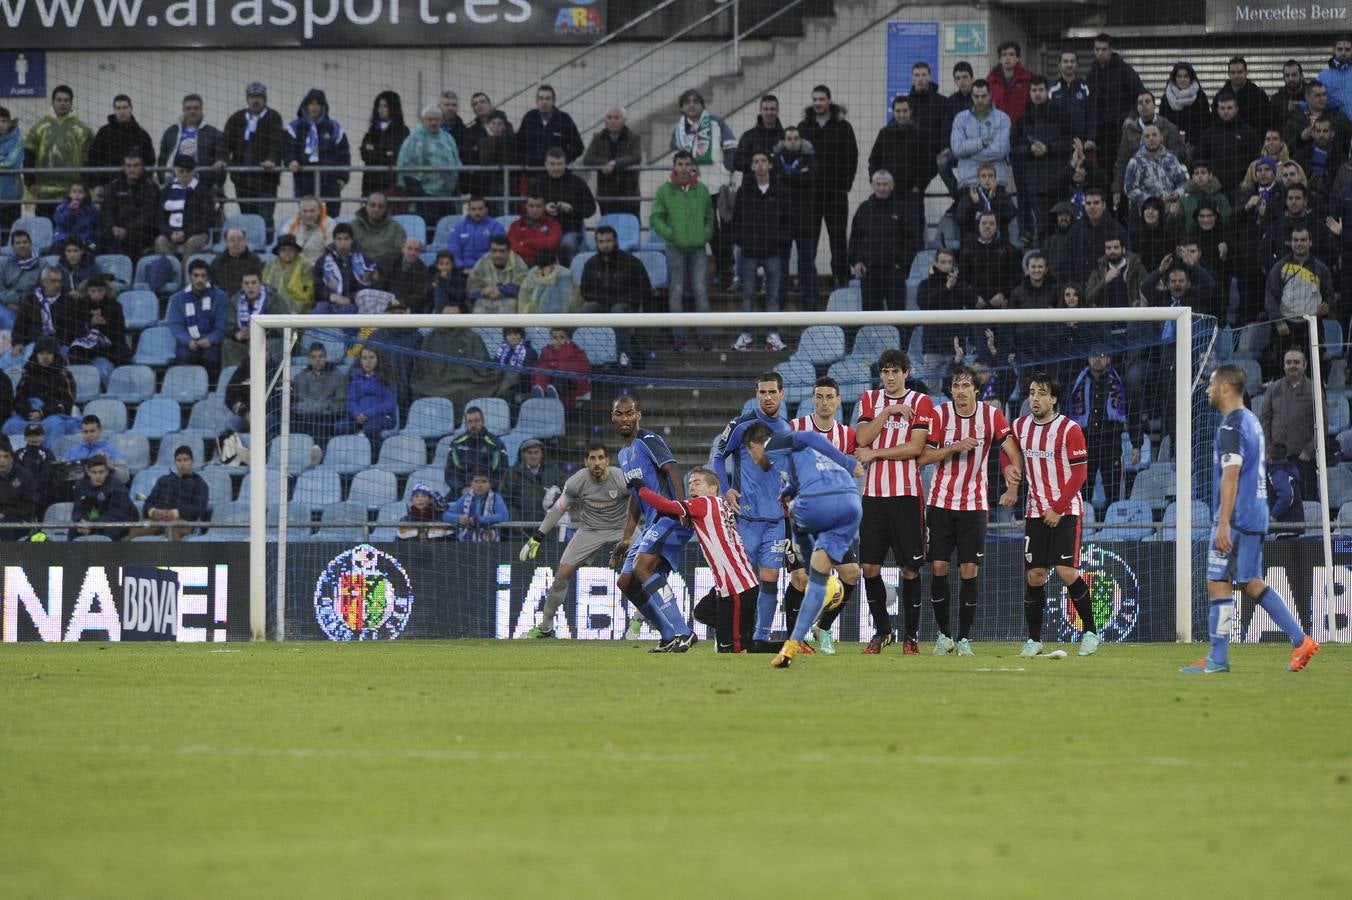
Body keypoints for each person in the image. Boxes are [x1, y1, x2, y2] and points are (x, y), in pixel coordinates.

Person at [1181, 365, 1321, 673]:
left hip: (1237, 518)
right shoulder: (1253, 422)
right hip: (1256, 515)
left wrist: (1222, 523)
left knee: (1217, 581)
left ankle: (1218, 658)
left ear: (1227, 387)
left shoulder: (1231, 426)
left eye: (1213, 385)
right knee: (1249, 583)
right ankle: (1301, 641)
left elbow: (1231, 474)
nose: (1208, 390)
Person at [735, 422, 859, 668]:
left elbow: (811, 436)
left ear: (754, 446)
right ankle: (793, 645)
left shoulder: (773, 444)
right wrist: (789, 490)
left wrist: (848, 462)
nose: (753, 459)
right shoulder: (790, 459)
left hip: (820, 503)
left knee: (811, 570)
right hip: (848, 505)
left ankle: (803, 631)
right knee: (815, 578)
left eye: (751, 454)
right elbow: (802, 474)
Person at [918, 365, 1020, 655]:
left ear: (976, 389)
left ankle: (963, 638)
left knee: (968, 569)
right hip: (939, 503)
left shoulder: (991, 416)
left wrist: (1012, 485)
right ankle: (944, 635)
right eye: (956, 386)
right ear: (950, 390)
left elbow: (1011, 449)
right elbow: (923, 457)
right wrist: (954, 447)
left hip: (974, 505)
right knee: (938, 567)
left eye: (966, 386)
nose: (960, 391)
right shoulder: (940, 415)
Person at [1000, 372, 1101, 658]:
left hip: (1066, 511)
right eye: (1032, 392)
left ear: (1054, 399)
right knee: (1035, 575)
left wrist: (1057, 508)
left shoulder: (1069, 429)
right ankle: (1034, 640)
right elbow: (1005, 451)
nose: (1035, 397)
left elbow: (1080, 473)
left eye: (1042, 392)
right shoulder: (1020, 427)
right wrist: (1008, 469)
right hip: (1035, 512)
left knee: (1067, 572)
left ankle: (1091, 633)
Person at [854, 349, 934, 654]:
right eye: (885, 372)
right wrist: (887, 413)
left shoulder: (921, 402)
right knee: (869, 566)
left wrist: (875, 453)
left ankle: (910, 636)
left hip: (906, 496)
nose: (889, 377)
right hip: (873, 497)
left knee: (910, 569)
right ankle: (882, 630)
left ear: (906, 372)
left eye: (895, 372)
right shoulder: (869, 400)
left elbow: (915, 447)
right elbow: (861, 437)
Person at [636, 465, 762, 653]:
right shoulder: (720, 506)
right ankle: (739, 631)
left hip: (737, 587)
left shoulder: (705, 504)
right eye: (690, 483)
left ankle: (785, 646)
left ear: (713, 489)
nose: (692, 487)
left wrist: (641, 489)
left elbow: (667, 506)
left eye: (697, 482)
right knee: (701, 612)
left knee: (733, 651)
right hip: (732, 585)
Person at [710, 373, 793, 650]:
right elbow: (718, 456)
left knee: (770, 578)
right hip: (744, 518)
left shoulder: (787, 429)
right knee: (737, 581)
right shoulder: (741, 423)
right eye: (762, 392)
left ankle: (760, 636)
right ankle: (725, 633)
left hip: (776, 521)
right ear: (757, 394)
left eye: (772, 392)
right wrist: (725, 489)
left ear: (782, 394)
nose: (767, 397)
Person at [608, 394, 696, 652]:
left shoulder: (648, 440)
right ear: (613, 418)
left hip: (668, 516)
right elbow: (636, 498)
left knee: (642, 567)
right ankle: (668, 634)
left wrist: (682, 506)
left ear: (638, 415)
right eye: (619, 414)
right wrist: (626, 538)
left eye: (629, 413)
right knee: (625, 582)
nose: (625, 418)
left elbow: (672, 470)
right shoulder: (623, 454)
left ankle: (683, 632)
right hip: (651, 525)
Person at [518, 443, 631, 639]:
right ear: (586, 461)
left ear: (607, 460)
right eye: (592, 459)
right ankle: (545, 627)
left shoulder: (622, 479)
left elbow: (641, 503)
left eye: (600, 458)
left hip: (621, 528)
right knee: (562, 575)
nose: (597, 463)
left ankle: (638, 621)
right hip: (589, 531)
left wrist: (635, 532)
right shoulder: (576, 482)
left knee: (645, 569)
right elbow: (558, 509)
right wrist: (538, 537)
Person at [787, 376, 859, 654]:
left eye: (830, 397)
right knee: (800, 578)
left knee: (851, 574)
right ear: (813, 399)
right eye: (820, 397)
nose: (825, 402)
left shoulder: (847, 435)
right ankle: (797, 637)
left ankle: (823, 627)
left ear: (838, 400)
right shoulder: (797, 428)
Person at [651, 150, 715, 352]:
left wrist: (703, 235)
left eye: (688, 164)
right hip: (675, 249)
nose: (684, 168)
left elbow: (710, 219)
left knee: (701, 291)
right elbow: (655, 219)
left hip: (698, 249)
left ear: (693, 167)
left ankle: (704, 338)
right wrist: (672, 235)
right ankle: (679, 338)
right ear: (674, 167)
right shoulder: (664, 191)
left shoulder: (702, 190)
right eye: (680, 164)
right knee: (676, 292)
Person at [1068, 349, 1143, 515]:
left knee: (1113, 492)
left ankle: (1111, 532)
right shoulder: (1077, 384)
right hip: (1084, 444)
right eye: (1094, 356)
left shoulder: (1120, 383)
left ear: (1108, 359)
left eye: (1101, 356)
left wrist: (1136, 444)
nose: (1097, 360)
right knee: (1081, 492)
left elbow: (1134, 414)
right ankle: (1081, 532)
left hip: (1111, 444)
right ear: (1088, 358)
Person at [799, 85, 859, 288]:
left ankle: (840, 278)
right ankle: (807, 279)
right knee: (809, 239)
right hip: (810, 195)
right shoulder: (803, 127)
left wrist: (845, 185)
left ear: (829, 100)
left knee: (838, 238)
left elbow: (852, 157)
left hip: (835, 193)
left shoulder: (843, 127)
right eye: (815, 99)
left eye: (821, 99)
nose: (818, 103)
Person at [731, 151, 788, 352]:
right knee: (748, 295)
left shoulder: (780, 189)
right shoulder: (744, 190)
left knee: (773, 295)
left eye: (764, 161)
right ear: (752, 166)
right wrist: (742, 240)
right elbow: (735, 219)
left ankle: (772, 335)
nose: (760, 165)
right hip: (749, 252)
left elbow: (788, 220)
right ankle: (746, 335)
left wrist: (779, 240)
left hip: (773, 251)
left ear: (770, 165)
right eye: (756, 161)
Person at [868, 94, 930, 257]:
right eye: (898, 111)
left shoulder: (920, 135)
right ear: (893, 112)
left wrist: (918, 186)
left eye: (905, 111)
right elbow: (874, 161)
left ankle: (915, 278)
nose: (901, 114)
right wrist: (877, 184)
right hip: (888, 195)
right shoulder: (884, 133)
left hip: (913, 195)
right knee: (888, 234)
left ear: (911, 112)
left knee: (915, 235)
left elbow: (927, 164)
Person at [1264, 227, 1335, 370]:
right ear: (1290, 243)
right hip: (1285, 327)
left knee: (1315, 370)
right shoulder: (1279, 267)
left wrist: (1326, 307)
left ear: (1310, 243)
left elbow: (1329, 294)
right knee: (1283, 370)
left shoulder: (1321, 269)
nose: (1299, 243)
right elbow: (1270, 297)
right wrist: (1278, 322)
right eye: (1295, 240)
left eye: (1303, 240)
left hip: (1312, 326)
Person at [1011, 76, 1071, 241]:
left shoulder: (1061, 114)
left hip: (1060, 182)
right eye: (1034, 90)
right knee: (1043, 229)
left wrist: (1048, 148)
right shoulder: (1023, 120)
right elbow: (1015, 150)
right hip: (1036, 184)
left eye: (1041, 90)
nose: (1037, 94)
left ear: (1047, 91)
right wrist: (1030, 150)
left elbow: (1069, 143)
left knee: (1064, 228)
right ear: (1029, 92)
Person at [847, 170, 911, 317]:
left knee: (898, 317)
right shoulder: (864, 209)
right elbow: (854, 240)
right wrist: (856, 262)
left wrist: (902, 266)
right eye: (878, 184)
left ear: (892, 185)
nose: (882, 188)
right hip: (869, 274)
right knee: (870, 318)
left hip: (894, 273)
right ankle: (871, 341)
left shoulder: (902, 209)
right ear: (872, 185)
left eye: (885, 184)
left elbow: (912, 240)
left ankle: (900, 341)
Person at [222, 83, 285, 229]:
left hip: (266, 180)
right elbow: (225, 142)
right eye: (252, 97)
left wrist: (271, 159)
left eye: (258, 97)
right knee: (247, 219)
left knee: (265, 218)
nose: (255, 100)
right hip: (242, 180)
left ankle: (267, 248)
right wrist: (222, 159)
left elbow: (277, 142)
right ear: (247, 99)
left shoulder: (273, 117)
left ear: (265, 99)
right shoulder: (236, 118)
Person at [773, 126, 820, 305]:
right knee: (781, 265)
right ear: (784, 141)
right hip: (783, 220)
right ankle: (780, 305)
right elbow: (775, 179)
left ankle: (812, 306)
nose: (792, 141)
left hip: (806, 220)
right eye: (789, 138)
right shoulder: (776, 159)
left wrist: (786, 176)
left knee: (807, 263)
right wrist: (798, 175)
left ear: (801, 140)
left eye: (796, 138)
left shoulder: (810, 158)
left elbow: (812, 178)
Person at [283, 89, 350, 215]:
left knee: (331, 220)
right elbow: (287, 148)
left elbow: (343, 154)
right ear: (305, 106)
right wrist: (290, 160)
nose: (314, 107)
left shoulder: (334, 127)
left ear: (323, 106)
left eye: (318, 104)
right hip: (304, 182)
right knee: (308, 218)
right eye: (311, 103)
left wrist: (342, 177)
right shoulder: (294, 127)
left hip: (330, 184)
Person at [1260, 348, 1318, 492]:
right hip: (1277, 459)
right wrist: (1268, 449)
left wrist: (1309, 451)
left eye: (1297, 362)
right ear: (1284, 366)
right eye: (1289, 362)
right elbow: (1265, 420)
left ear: (1305, 366)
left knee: (1305, 498)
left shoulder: (1314, 389)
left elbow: (1322, 423)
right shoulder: (1273, 389)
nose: (1292, 365)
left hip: (1303, 458)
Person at [25, 85, 94, 203]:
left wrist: (87, 184)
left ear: (71, 102)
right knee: (46, 222)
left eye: (66, 100)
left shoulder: (83, 130)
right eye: (59, 100)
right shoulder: (38, 128)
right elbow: (28, 157)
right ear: (52, 102)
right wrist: (30, 182)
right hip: (44, 192)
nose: (62, 104)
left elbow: (90, 160)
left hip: (74, 194)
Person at [530, 147, 596, 263]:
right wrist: (543, 209)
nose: (556, 168)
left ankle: (567, 276)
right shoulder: (538, 183)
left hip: (571, 230)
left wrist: (571, 209)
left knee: (566, 244)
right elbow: (528, 209)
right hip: (544, 230)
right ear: (545, 164)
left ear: (565, 164)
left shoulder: (577, 183)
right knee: (534, 244)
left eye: (560, 164)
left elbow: (591, 209)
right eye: (552, 164)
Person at [396, 105, 461, 223]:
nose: (433, 122)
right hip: (426, 197)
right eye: (430, 119)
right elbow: (408, 172)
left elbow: (456, 162)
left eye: (437, 119)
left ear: (441, 120)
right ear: (423, 120)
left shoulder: (448, 138)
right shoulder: (414, 139)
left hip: (448, 196)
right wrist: (422, 198)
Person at [6, 338, 76, 440]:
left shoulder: (64, 374)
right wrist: (28, 412)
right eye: (41, 353)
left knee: (54, 426)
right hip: (29, 415)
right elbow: (19, 398)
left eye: (49, 353)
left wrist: (42, 413)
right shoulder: (28, 372)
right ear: (36, 355)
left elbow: (68, 402)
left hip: (53, 416)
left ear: (55, 355)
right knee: (9, 425)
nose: (45, 357)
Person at [1086, 33, 1144, 155]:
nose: (1100, 53)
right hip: (1101, 133)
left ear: (1111, 50)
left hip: (1122, 129)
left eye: (1104, 49)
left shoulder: (1124, 70)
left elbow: (1140, 94)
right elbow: (1091, 106)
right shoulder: (1092, 74)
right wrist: (1091, 135)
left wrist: (1131, 116)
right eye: (1097, 49)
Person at [136, 445, 209, 540]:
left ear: (192, 461)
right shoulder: (163, 480)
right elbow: (148, 502)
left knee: (172, 529)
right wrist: (153, 512)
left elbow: (199, 509)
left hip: (182, 522)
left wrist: (176, 513)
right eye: (179, 460)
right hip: (157, 520)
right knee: (136, 529)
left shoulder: (200, 484)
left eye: (186, 460)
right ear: (175, 462)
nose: (182, 463)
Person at [65, 274, 130, 381]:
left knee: (123, 353)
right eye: (93, 291)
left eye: (100, 291)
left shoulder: (115, 306)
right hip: (88, 343)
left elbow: (120, 332)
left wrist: (104, 324)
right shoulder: (79, 306)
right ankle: (82, 382)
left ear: (106, 291)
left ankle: (121, 382)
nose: (96, 294)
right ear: (87, 291)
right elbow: (73, 331)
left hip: (108, 343)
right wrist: (90, 324)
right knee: (75, 353)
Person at [155, 93, 224, 194]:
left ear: (201, 110)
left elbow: (221, 159)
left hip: (203, 187)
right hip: (173, 185)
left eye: (196, 108)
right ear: (183, 110)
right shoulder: (171, 132)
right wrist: (162, 180)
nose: (192, 111)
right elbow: (162, 158)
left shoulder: (213, 133)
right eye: (188, 108)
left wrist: (217, 184)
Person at [96, 153, 159, 261]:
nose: (132, 169)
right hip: (115, 230)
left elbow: (148, 215)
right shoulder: (114, 186)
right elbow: (107, 210)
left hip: (141, 232)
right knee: (100, 240)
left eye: (136, 165)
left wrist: (127, 230)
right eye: (128, 166)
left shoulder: (150, 187)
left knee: (129, 242)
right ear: (123, 167)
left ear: (142, 167)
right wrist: (113, 227)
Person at [166, 259, 226, 372]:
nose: (200, 280)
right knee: (183, 356)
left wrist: (210, 339)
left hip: (210, 343)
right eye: (196, 275)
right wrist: (188, 341)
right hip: (187, 342)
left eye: (203, 276)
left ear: (208, 277)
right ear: (190, 276)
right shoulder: (178, 298)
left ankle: (211, 388)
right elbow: (175, 325)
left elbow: (222, 326)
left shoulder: (220, 297)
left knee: (212, 357)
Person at [153, 154, 216, 262]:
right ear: (175, 171)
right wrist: (170, 233)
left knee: (192, 243)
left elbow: (207, 219)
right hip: (172, 232)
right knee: (160, 242)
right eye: (181, 171)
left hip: (196, 233)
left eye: (188, 171)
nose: (185, 175)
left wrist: (186, 233)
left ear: (193, 172)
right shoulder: (167, 191)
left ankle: (188, 276)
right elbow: (159, 218)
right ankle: (171, 274)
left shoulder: (203, 191)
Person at [950, 79, 1011, 190]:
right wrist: (981, 143)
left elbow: (1000, 151)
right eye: (976, 96)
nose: (980, 100)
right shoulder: (960, 118)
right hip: (969, 182)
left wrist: (968, 153)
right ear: (971, 96)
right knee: (962, 207)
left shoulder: (1003, 118)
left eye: (984, 96)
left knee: (1005, 207)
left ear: (990, 95)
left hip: (996, 182)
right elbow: (957, 149)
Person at [1058, 188, 1126, 285]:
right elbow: (1065, 264)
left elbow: (1127, 261)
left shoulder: (1118, 231)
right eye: (1088, 203)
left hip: (1109, 289)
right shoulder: (1074, 231)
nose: (1092, 207)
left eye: (1096, 203)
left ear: (1104, 205)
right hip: (1079, 291)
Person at [1196, 94, 1260, 197]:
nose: (1225, 111)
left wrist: (1248, 181)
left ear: (1237, 109)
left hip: (1241, 189)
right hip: (1214, 189)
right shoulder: (1208, 134)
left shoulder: (1248, 132)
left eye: (1229, 108)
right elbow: (1200, 160)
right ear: (1217, 109)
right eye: (1222, 108)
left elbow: (1255, 161)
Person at [222, 270, 287, 371]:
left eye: (254, 282)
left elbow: (282, 326)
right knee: (228, 344)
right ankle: (235, 379)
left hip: (268, 341)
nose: (250, 286)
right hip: (245, 343)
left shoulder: (274, 299)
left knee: (277, 344)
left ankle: (272, 377)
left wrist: (259, 332)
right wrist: (237, 333)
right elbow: (229, 325)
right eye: (246, 283)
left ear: (260, 283)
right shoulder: (235, 301)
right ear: (242, 285)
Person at [1123, 123, 1189, 217]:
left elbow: (1183, 182)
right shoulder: (1135, 162)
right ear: (1142, 140)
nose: (1151, 138)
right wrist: (1151, 200)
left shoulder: (1171, 158)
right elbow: (1129, 189)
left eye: (1154, 135)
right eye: (1147, 136)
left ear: (1161, 138)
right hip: (1147, 214)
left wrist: (1178, 193)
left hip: (1170, 213)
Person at [312, 222, 376, 315]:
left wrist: (350, 298)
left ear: (352, 240)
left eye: (346, 239)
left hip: (354, 303)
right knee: (318, 311)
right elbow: (317, 286)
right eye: (339, 239)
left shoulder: (365, 259)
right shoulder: (323, 260)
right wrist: (330, 296)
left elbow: (370, 286)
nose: (343, 243)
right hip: (329, 301)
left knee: (347, 311)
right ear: (334, 240)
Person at [500, 437, 566, 527]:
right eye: (529, 452)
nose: (533, 456)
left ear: (542, 454)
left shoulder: (554, 471)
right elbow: (505, 499)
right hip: (522, 527)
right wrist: (516, 521)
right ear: (523, 454)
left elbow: (566, 491)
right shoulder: (512, 473)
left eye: (536, 452)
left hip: (549, 527)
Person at [71, 453, 138, 541]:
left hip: (123, 521)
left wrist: (92, 525)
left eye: (101, 472)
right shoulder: (80, 485)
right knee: (73, 530)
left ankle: (109, 554)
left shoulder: (117, 485)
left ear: (106, 471)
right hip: (94, 521)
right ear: (88, 472)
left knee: (109, 530)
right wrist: (81, 522)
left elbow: (116, 514)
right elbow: (78, 509)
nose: (98, 476)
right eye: (93, 472)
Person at [516, 84, 584, 169]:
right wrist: (524, 161)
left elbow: (578, 147)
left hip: (556, 175)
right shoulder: (529, 118)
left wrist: (562, 160)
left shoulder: (564, 119)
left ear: (554, 101)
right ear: (536, 101)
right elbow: (519, 144)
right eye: (541, 98)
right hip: (532, 175)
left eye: (548, 98)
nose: (544, 102)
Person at [292, 342, 347, 444]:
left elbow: (341, 405)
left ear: (326, 357)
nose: (317, 360)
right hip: (305, 417)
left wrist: (322, 407)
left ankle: (319, 457)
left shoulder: (338, 376)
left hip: (327, 418)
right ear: (309, 359)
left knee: (318, 426)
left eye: (320, 356)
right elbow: (296, 404)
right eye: (314, 357)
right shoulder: (300, 377)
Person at [358, 91, 409, 197]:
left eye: (385, 106)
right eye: (379, 106)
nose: (381, 109)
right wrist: (385, 154)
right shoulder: (372, 130)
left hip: (391, 185)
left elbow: (398, 156)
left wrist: (376, 153)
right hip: (371, 184)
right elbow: (364, 154)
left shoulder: (402, 131)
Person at [12, 267, 75, 352]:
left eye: (59, 281)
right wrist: (18, 343)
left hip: (60, 346)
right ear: (44, 282)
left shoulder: (68, 302)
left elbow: (70, 329)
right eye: (53, 281)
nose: (57, 285)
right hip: (33, 344)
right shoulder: (30, 299)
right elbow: (20, 324)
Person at [446, 406, 504, 495]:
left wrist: (485, 487)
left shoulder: (496, 444)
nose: (473, 425)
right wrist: (462, 489)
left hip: (489, 491)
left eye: (477, 421)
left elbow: (502, 472)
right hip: (462, 492)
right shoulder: (456, 444)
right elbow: (450, 472)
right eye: (470, 422)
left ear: (483, 421)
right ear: (466, 423)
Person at [347, 347, 397, 446]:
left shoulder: (388, 378)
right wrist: (357, 414)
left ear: (378, 359)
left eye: (371, 357)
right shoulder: (356, 377)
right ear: (360, 360)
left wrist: (367, 413)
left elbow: (389, 404)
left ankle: (376, 457)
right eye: (364, 358)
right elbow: (352, 401)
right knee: (341, 427)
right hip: (359, 416)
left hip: (382, 417)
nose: (368, 361)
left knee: (370, 429)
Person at [467, 235, 528, 314]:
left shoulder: (518, 263)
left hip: (509, 299)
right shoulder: (482, 262)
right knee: (479, 306)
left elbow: (523, 288)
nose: (498, 255)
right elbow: (471, 291)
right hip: (486, 298)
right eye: (494, 251)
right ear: (490, 250)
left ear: (509, 251)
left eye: (502, 251)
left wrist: (501, 289)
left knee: (508, 306)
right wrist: (483, 291)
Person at [531, 327, 591, 408]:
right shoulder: (546, 351)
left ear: (567, 338)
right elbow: (539, 365)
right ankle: (541, 391)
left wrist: (557, 366)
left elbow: (582, 366)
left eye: (562, 337)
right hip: (550, 378)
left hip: (569, 381)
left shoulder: (574, 350)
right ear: (550, 339)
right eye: (555, 338)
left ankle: (553, 393)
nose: (558, 340)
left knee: (561, 375)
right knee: (542, 371)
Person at [1048, 49, 1096, 148]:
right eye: (1065, 61)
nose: (1069, 65)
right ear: (1059, 65)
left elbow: (1092, 115)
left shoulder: (1086, 88)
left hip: (1082, 145)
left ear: (1077, 65)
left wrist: (1091, 139)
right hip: (1057, 146)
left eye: (1072, 61)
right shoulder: (1051, 90)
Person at [443, 471, 508, 542]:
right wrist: (458, 518)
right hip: (466, 543)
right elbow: (446, 515)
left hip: (490, 542)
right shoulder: (465, 498)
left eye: (484, 481)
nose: (480, 485)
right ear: (471, 484)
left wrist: (479, 520)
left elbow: (503, 516)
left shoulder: (496, 498)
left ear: (490, 484)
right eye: (476, 481)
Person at [1086, 236, 1149, 308]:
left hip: (1132, 316)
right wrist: (1105, 281)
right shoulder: (1098, 272)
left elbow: (1147, 292)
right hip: (1107, 317)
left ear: (1123, 249)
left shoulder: (1137, 268)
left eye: (1116, 247)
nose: (1112, 251)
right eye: (1108, 248)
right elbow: (1089, 298)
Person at [1215, 56, 1272, 134]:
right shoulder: (1220, 96)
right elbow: (1214, 123)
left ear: (1246, 72)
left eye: (1240, 72)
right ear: (1228, 74)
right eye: (1233, 72)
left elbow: (1266, 123)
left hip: (1252, 141)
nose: (1236, 76)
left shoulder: (1259, 95)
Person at [1160, 62, 1210, 149]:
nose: (1182, 79)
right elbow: (1162, 123)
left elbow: (1206, 123)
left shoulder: (1200, 97)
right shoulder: (1166, 98)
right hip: (1171, 146)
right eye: (1179, 76)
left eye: (1186, 76)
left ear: (1191, 78)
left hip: (1196, 146)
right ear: (1174, 78)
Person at [448, 196, 505, 271]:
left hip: (488, 270)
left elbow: (498, 251)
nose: (477, 212)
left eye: (480, 209)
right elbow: (453, 251)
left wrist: (484, 268)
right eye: (473, 209)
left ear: (486, 210)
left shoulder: (495, 227)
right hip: (463, 270)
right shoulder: (458, 227)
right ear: (468, 210)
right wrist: (461, 267)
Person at [350, 192, 407, 265]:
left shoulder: (396, 228)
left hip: (385, 270)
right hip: (358, 268)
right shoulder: (352, 226)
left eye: (380, 206)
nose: (376, 209)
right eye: (372, 205)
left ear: (386, 209)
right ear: (366, 206)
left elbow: (400, 252)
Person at [506, 193, 562, 267]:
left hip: (546, 266)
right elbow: (513, 248)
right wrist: (539, 251)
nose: (535, 210)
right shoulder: (515, 226)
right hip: (520, 265)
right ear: (526, 207)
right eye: (531, 206)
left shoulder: (553, 224)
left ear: (544, 207)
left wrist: (526, 242)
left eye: (538, 206)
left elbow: (552, 245)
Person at [734, 95, 785, 175]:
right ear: (760, 111)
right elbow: (737, 162)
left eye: (772, 109)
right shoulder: (748, 136)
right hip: (753, 185)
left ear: (778, 110)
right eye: (765, 109)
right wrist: (760, 162)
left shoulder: (785, 137)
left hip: (779, 185)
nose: (769, 112)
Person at [263, 233, 314, 312]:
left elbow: (307, 294)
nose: (287, 252)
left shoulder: (305, 266)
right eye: (283, 249)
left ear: (296, 251)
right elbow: (264, 288)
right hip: (274, 308)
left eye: (291, 249)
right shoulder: (270, 266)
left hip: (299, 308)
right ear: (278, 252)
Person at [15, 423, 57, 516]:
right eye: (30, 435)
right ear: (25, 438)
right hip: (21, 492)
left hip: (41, 493)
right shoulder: (19, 454)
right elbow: (16, 474)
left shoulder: (47, 453)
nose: (34, 438)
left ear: (43, 437)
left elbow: (45, 476)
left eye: (37, 435)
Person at [987, 40, 1034, 125]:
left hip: (1021, 130)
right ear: (1000, 59)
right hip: (997, 129)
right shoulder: (991, 80)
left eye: (1011, 54)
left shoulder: (1027, 79)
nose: (1007, 58)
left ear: (1017, 58)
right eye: (1004, 55)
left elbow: (1032, 106)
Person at [0, 437, 37, 540]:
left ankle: (7, 555)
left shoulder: (24, 476)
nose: (2, 460)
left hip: (21, 518)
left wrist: (4, 514)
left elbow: (29, 505)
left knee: (4, 526)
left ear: (11, 458)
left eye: (5, 456)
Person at [1266, 441, 1304, 539]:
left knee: (1284, 554)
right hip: (1292, 525)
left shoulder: (1278, 472)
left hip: (1286, 525)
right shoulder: (1287, 468)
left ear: (1269, 456)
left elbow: (1286, 497)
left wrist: (1274, 515)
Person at [209, 227, 263, 296]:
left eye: (240, 239)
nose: (236, 243)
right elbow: (213, 286)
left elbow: (259, 285)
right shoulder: (217, 262)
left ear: (245, 240)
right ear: (226, 242)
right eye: (232, 240)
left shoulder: (255, 260)